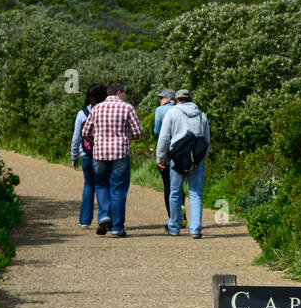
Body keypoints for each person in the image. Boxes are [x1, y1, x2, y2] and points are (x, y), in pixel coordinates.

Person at [82, 80, 144, 238]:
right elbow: (138, 132)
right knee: (118, 189)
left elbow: (85, 132)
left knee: (101, 185)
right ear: (119, 92)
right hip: (120, 154)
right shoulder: (127, 107)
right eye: (125, 92)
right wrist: (125, 137)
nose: (126, 95)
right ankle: (117, 227)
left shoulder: (96, 109)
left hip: (99, 154)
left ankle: (104, 216)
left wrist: (97, 139)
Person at [156, 89, 210, 238]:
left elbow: (164, 137)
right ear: (190, 99)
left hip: (178, 158)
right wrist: (202, 158)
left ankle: (174, 226)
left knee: (174, 193)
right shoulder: (201, 115)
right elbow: (207, 141)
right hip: (196, 158)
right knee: (196, 193)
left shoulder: (172, 113)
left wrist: (161, 158)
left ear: (177, 100)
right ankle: (195, 229)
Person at [71, 83, 107, 227]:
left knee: (88, 185)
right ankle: (103, 217)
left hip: (85, 154)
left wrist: (74, 156)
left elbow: (76, 137)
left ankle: (85, 221)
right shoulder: (105, 111)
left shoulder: (82, 113)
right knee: (103, 185)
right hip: (103, 154)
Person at [153, 89, 177, 222]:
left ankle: (172, 218)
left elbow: (157, 131)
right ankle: (182, 212)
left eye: (161, 97)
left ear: (168, 98)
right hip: (180, 152)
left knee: (168, 185)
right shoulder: (180, 109)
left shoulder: (159, 110)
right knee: (178, 184)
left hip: (166, 151)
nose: (160, 100)